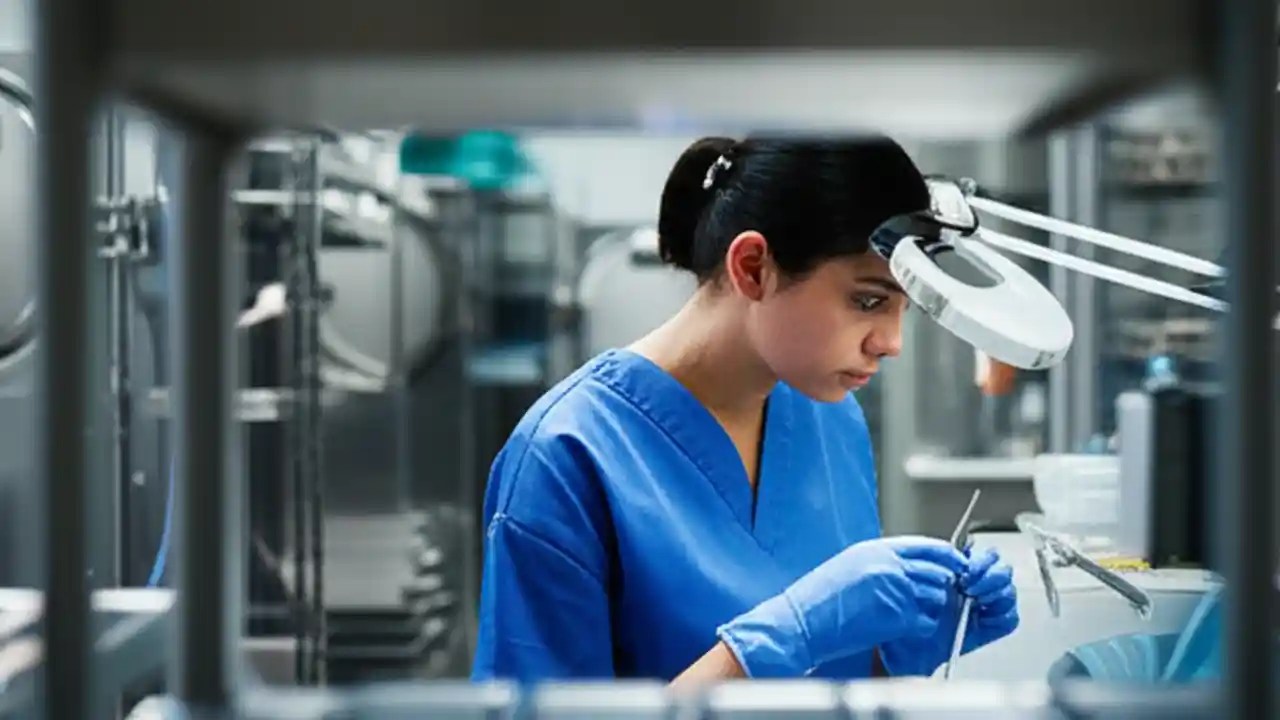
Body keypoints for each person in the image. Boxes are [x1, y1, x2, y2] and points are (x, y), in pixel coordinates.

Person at [470, 135, 1019, 685]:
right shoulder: (566, 455)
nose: (891, 342)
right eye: (868, 300)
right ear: (754, 267)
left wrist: (893, 647)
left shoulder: (831, 417)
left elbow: (832, 671)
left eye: (905, 308)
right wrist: (773, 643)